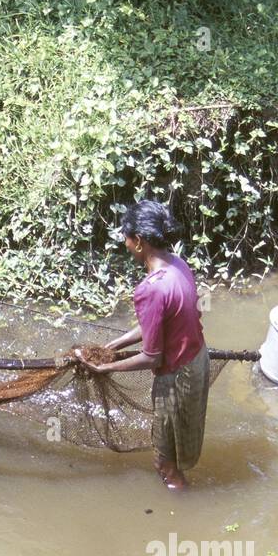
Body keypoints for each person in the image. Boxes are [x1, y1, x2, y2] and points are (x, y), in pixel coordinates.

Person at [77, 200, 209, 491]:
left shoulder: (150, 289)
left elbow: (151, 357)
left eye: (126, 237)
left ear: (139, 241)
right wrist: (114, 344)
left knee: (165, 462)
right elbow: (158, 324)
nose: (124, 243)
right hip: (198, 360)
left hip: (178, 377)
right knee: (180, 439)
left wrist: (104, 366)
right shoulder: (178, 265)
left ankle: (184, 511)